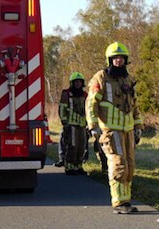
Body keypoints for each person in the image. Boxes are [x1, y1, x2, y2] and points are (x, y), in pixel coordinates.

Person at [86, 42, 142, 213]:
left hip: (128, 129)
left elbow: (134, 105)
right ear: (110, 60)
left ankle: (126, 200)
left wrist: (138, 125)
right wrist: (93, 125)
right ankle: (119, 203)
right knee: (118, 163)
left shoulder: (129, 79)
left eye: (121, 58)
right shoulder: (100, 77)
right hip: (110, 129)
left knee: (130, 165)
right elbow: (91, 102)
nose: (119, 61)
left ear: (126, 60)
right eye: (115, 58)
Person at [56, 72, 89, 174]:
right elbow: (62, 109)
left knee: (82, 146)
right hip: (71, 125)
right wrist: (65, 122)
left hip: (82, 125)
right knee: (72, 146)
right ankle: (69, 167)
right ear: (72, 83)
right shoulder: (66, 94)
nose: (78, 84)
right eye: (76, 82)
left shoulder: (85, 95)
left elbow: (88, 109)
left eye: (80, 82)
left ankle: (78, 167)